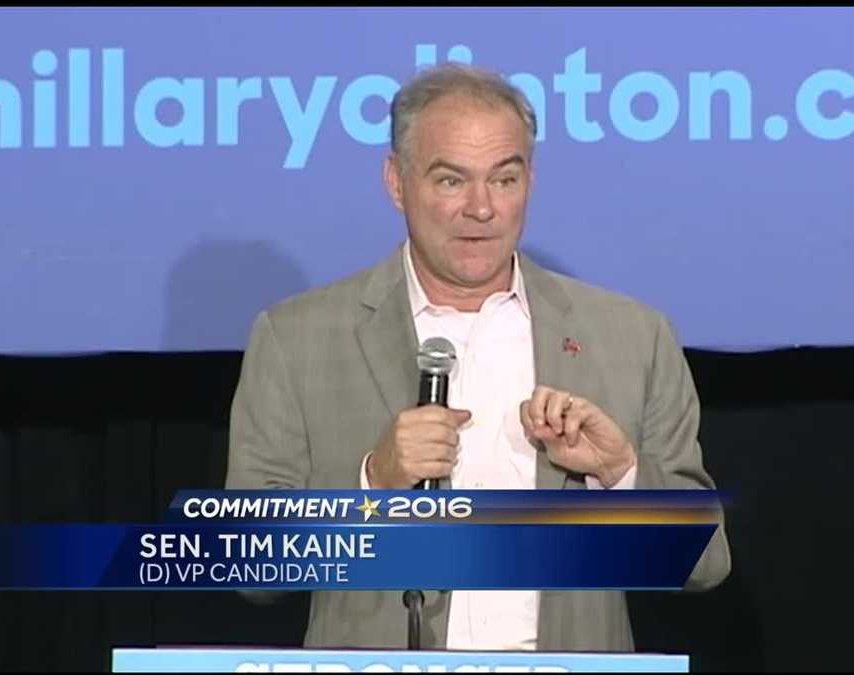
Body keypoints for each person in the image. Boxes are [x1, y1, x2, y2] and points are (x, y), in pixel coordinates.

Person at [225, 63, 731, 652]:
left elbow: (704, 564)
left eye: (504, 179)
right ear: (396, 182)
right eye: (450, 181)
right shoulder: (296, 339)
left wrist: (621, 475)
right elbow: (250, 568)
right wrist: (373, 485)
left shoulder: (631, 337)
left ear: (530, 182)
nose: (481, 208)